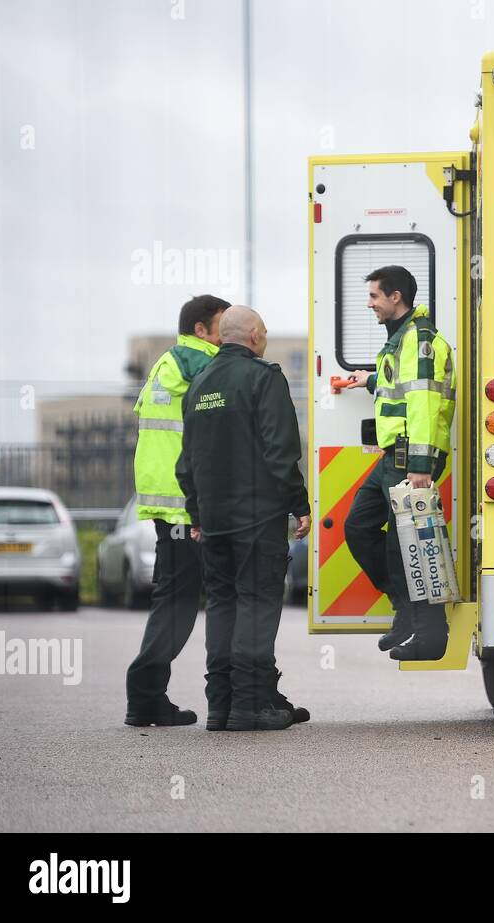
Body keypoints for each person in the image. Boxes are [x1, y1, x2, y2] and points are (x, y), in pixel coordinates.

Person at [175, 306, 312, 731]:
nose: (266, 338)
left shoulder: (198, 385)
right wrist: (299, 504)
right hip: (257, 517)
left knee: (223, 607)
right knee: (256, 604)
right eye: (265, 332)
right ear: (253, 335)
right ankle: (251, 706)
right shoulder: (263, 377)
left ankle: (222, 704)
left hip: (214, 520)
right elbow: (281, 450)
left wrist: (197, 513)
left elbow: (187, 463)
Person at [124, 294, 229, 727]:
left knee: (177, 599)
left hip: (170, 501)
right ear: (202, 329)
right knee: (178, 603)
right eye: (225, 325)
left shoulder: (167, 365)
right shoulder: (198, 364)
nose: (232, 333)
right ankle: (145, 697)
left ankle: (148, 697)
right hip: (187, 503)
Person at [343, 265, 456, 662]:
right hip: (398, 454)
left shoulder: (419, 340)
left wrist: (421, 465)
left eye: (375, 295)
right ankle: (404, 609)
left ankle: (429, 635)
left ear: (395, 297)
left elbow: (423, 404)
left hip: (413, 455)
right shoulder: (401, 339)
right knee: (358, 527)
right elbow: (401, 390)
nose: (369, 303)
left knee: (409, 542)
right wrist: (368, 381)